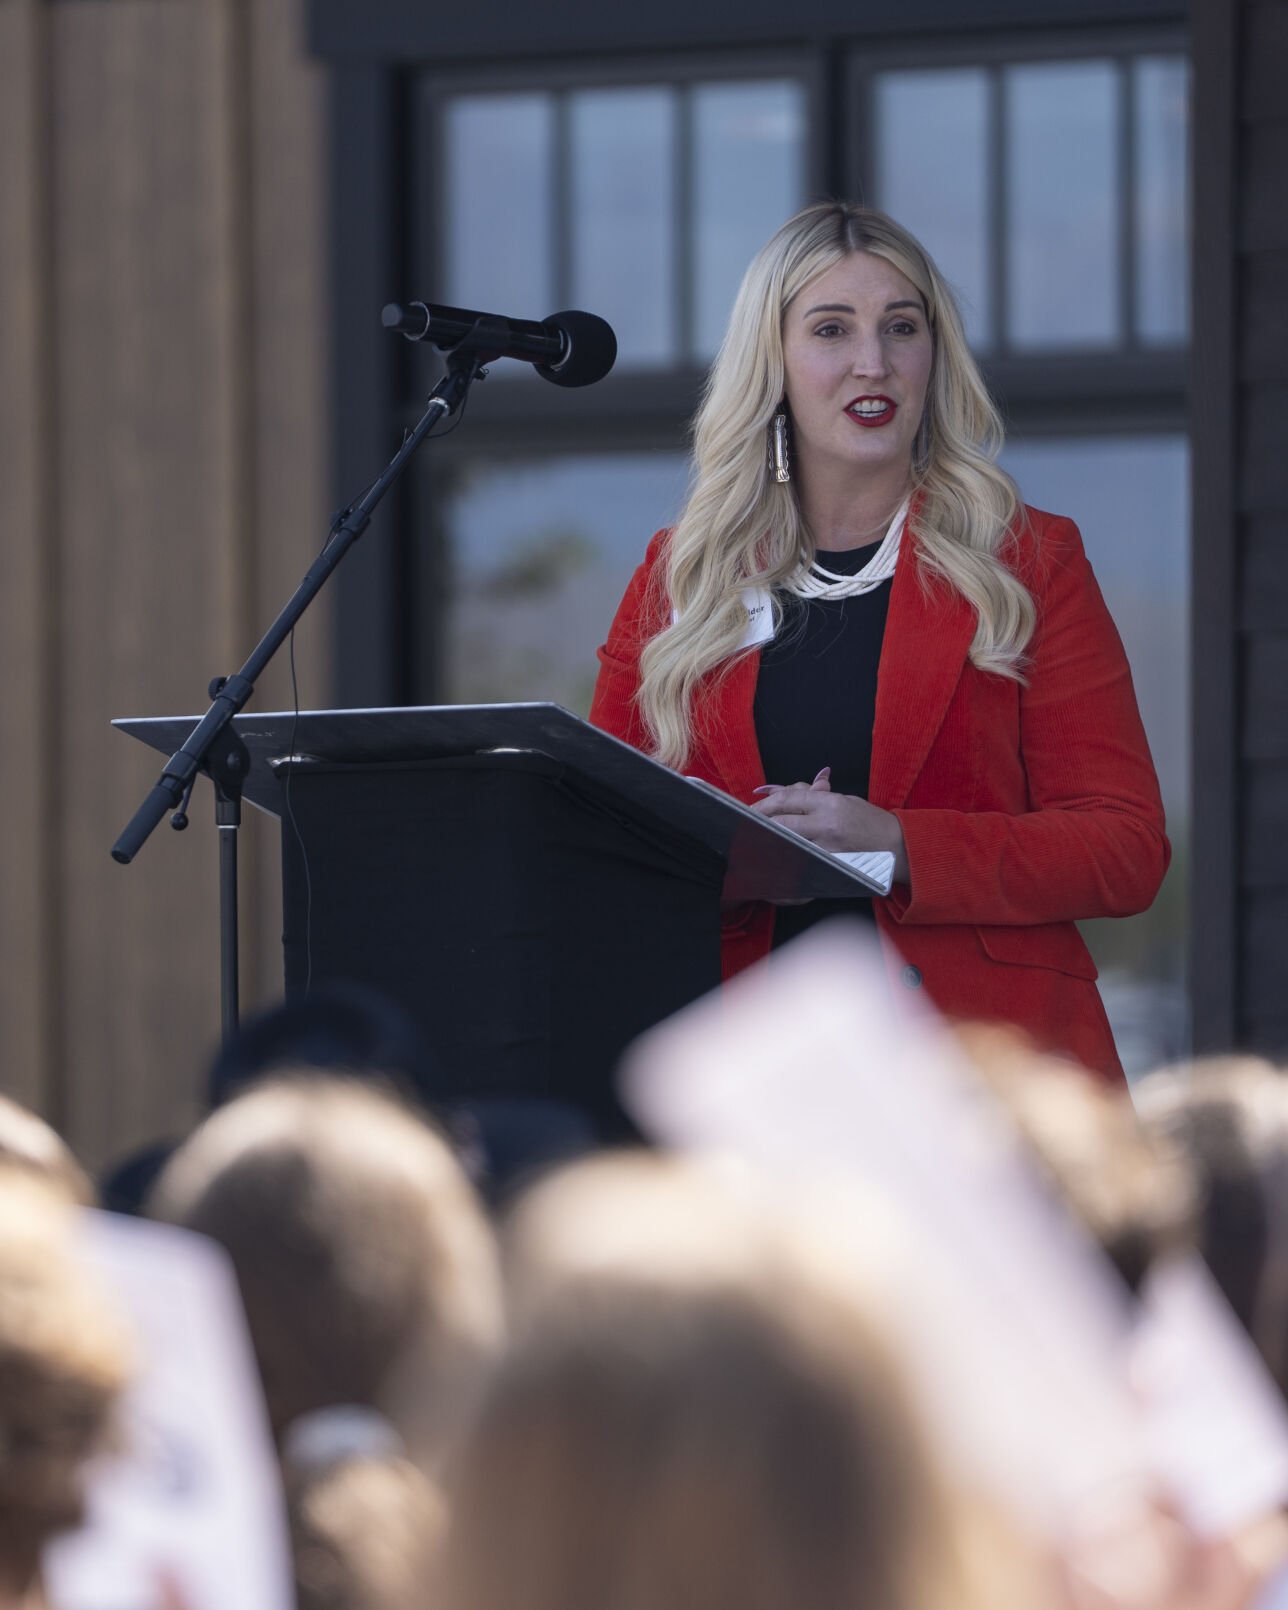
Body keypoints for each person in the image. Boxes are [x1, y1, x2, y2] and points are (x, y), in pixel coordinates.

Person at [589, 202, 1168, 1082]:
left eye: (903, 327)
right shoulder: (682, 578)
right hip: (748, 1075)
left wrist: (895, 842)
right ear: (771, 362)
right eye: (832, 329)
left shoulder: (1029, 559)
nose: (875, 361)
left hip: (991, 1078)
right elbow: (595, 842)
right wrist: (736, 860)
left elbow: (1124, 849)